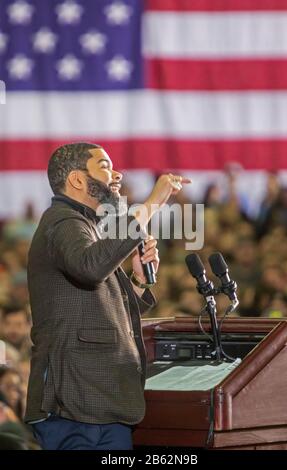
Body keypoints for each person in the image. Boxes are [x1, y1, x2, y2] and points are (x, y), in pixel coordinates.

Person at [25, 142, 190, 450]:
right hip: (73, 404)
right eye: (104, 166)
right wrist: (151, 205)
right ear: (76, 179)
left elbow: (99, 302)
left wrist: (139, 282)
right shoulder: (63, 221)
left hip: (101, 402)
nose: (116, 174)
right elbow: (90, 268)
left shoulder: (87, 226)